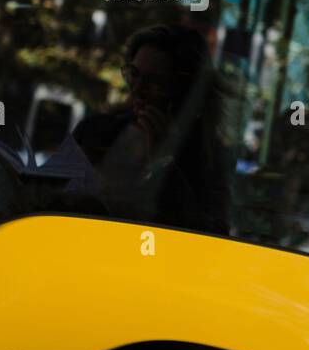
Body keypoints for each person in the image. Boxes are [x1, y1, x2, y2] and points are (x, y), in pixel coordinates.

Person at [73, 24, 232, 235]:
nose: (138, 90)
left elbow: (209, 238)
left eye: (155, 82)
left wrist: (165, 162)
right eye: (134, 75)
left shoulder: (206, 159)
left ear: (185, 92)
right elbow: (42, 198)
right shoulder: (96, 131)